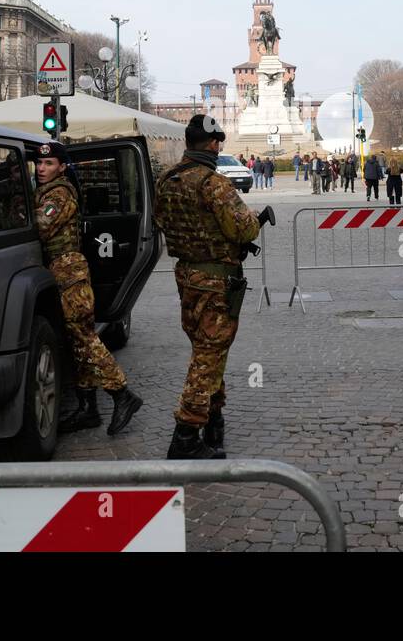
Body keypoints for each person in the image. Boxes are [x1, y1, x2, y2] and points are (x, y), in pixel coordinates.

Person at [154, 114, 272, 459]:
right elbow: (244, 230)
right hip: (217, 280)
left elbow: (161, 220)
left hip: (186, 276)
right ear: (214, 144)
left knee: (207, 349)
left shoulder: (166, 180)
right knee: (208, 355)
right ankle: (186, 434)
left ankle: (213, 419)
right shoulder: (214, 184)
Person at [33, 141, 142, 436]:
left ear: (62, 167)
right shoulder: (46, 192)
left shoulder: (59, 193)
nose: (42, 169)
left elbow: (41, 225)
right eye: (39, 164)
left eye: (49, 164)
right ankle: (87, 408)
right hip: (61, 273)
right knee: (77, 342)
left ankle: (122, 394)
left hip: (69, 273)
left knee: (85, 338)